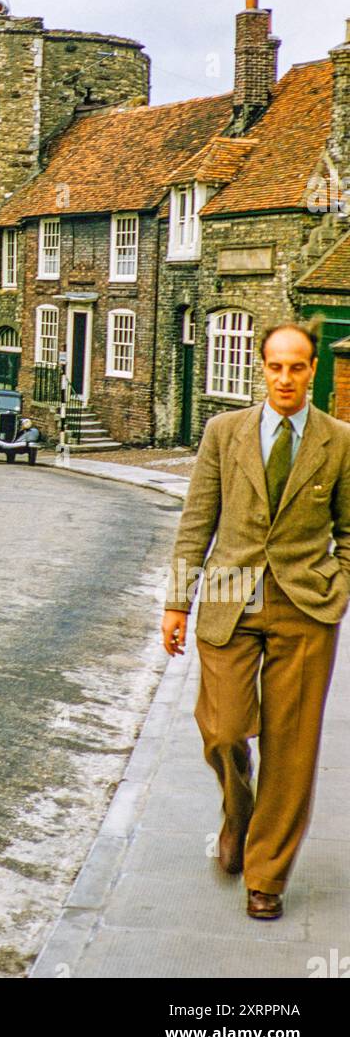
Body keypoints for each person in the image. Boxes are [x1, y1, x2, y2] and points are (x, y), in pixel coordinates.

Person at [162, 322, 350, 920]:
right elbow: (198, 521)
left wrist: (338, 586)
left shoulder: (340, 440)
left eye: (297, 367)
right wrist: (177, 601)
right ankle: (237, 812)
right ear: (261, 368)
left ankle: (266, 874)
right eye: (276, 367)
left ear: (313, 369)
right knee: (222, 728)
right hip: (228, 597)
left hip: (305, 605)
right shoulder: (224, 433)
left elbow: (348, 532)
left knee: (291, 747)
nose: (286, 378)